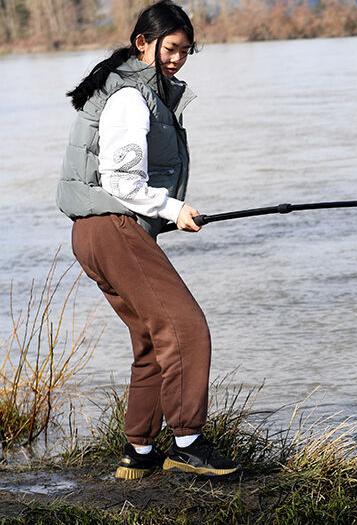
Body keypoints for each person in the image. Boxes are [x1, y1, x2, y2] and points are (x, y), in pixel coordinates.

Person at [58, 0, 238, 480]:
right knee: (186, 329)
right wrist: (174, 209)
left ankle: (138, 450)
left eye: (185, 51)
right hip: (111, 226)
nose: (177, 58)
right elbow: (119, 180)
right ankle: (188, 443)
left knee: (149, 339)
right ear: (143, 43)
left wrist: (168, 212)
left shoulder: (139, 90)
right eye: (171, 48)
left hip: (92, 232)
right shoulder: (131, 96)